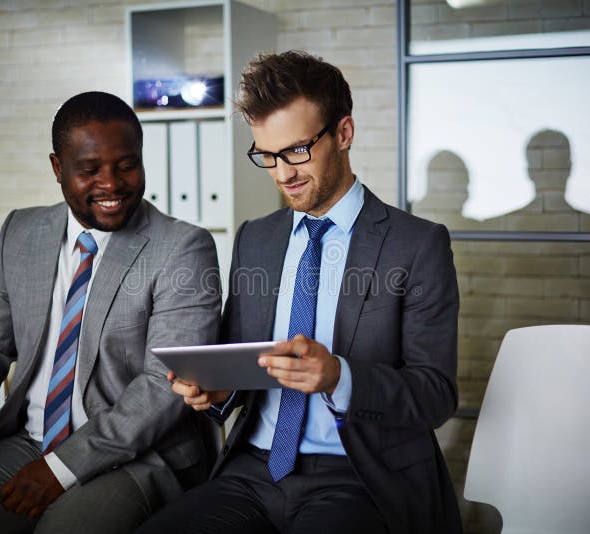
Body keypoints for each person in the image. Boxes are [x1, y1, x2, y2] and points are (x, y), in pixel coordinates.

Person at [137, 51, 463, 534]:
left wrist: (338, 376)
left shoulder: (417, 244)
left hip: (358, 476)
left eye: (296, 151)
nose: (282, 173)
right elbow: (239, 362)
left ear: (344, 133)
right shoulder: (257, 238)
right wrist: (217, 390)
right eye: (266, 156)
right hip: (252, 469)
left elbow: (435, 396)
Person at [0, 91, 221, 534]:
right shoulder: (22, 232)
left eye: (126, 164)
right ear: (58, 168)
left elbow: (162, 384)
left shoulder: (183, 247)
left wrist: (61, 468)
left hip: (138, 455)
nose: (112, 184)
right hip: (27, 439)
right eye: (90, 169)